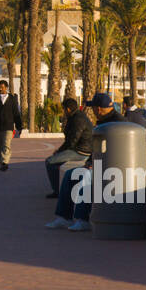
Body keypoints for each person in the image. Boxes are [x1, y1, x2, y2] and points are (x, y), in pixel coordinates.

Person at [45, 93, 119, 230]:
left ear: (98, 109)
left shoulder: (117, 123)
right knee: (69, 175)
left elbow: (117, 149)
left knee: (87, 177)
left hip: (113, 169)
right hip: (98, 165)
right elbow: (97, 148)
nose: (94, 112)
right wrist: (90, 162)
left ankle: (83, 219)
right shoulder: (103, 121)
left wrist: (95, 165)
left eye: (94, 109)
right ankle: (63, 218)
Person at [45, 96, 92, 196]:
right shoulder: (76, 116)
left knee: (50, 162)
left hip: (80, 151)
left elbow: (72, 141)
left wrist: (60, 151)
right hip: (78, 148)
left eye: (64, 109)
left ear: (68, 109)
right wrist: (60, 150)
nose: (63, 112)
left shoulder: (78, 119)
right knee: (54, 161)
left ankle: (57, 191)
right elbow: (70, 140)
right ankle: (59, 188)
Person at [0, 80, 23, 171]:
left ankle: (5, 162)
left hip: (8, 126)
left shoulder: (12, 99)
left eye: (2, 87)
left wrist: (19, 126)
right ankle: (1, 163)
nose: (0, 89)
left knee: (6, 144)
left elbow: (16, 114)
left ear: (6, 87)